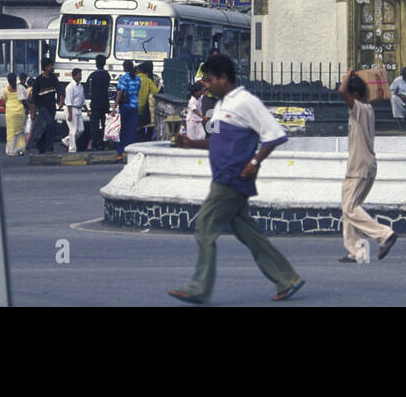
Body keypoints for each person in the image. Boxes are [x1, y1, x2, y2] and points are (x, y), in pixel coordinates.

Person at [167, 54, 305, 304]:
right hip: (223, 175)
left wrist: (254, 163)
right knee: (249, 234)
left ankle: (199, 288)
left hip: (231, 178)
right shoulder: (219, 107)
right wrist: (190, 143)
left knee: (205, 227)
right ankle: (287, 278)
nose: (205, 86)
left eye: (209, 80)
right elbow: (216, 142)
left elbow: (274, 135)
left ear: (223, 78)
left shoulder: (246, 101)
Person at [337, 72, 397, 262]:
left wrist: (348, 73)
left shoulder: (360, 109)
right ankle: (358, 252)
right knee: (350, 208)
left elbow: (341, 91)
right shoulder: (368, 109)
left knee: (350, 209)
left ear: (355, 95)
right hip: (365, 165)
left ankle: (385, 234)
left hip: (359, 167)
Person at [28, 60, 60, 154]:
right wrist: (33, 112)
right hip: (42, 106)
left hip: (52, 106)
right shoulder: (38, 80)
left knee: (49, 126)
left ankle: (40, 145)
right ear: (45, 67)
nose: (52, 68)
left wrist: (60, 101)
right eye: (51, 66)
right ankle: (50, 148)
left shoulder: (53, 78)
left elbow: (59, 89)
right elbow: (34, 98)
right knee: (50, 124)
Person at [114, 59, 141, 162]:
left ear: (124, 67)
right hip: (135, 106)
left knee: (123, 130)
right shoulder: (138, 79)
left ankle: (120, 153)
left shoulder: (123, 78)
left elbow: (120, 93)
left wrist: (114, 107)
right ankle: (132, 153)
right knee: (132, 130)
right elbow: (137, 91)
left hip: (125, 106)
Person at [3, 73, 26, 156]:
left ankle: (10, 150)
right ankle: (20, 149)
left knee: (10, 132)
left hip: (10, 113)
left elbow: (3, 102)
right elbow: (24, 100)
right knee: (20, 131)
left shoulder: (5, 90)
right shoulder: (21, 88)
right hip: (20, 112)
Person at [136, 60, 159, 140]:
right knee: (149, 125)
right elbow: (156, 91)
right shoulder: (151, 79)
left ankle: (138, 139)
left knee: (138, 126)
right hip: (146, 107)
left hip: (134, 106)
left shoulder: (135, 78)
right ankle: (147, 140)